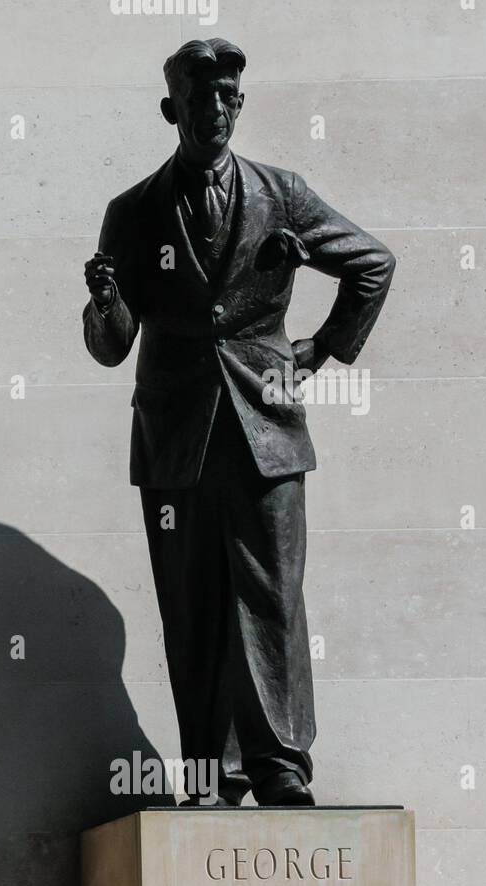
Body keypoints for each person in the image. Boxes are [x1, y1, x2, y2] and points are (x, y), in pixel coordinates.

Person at [82, 39, 395, 806]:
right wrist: (105, 302)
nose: (215, 111)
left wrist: (318, 351)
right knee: (193, 605)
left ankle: (280, 763)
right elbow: (112, 346)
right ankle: (209, 771)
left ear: (240, 106)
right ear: (172, 111)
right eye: (200, 100)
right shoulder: (133, 211)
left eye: (226, 98)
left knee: (272, 594)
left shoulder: (280, 194)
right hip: (174, 439)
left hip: (266, 429)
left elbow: (373, 264)